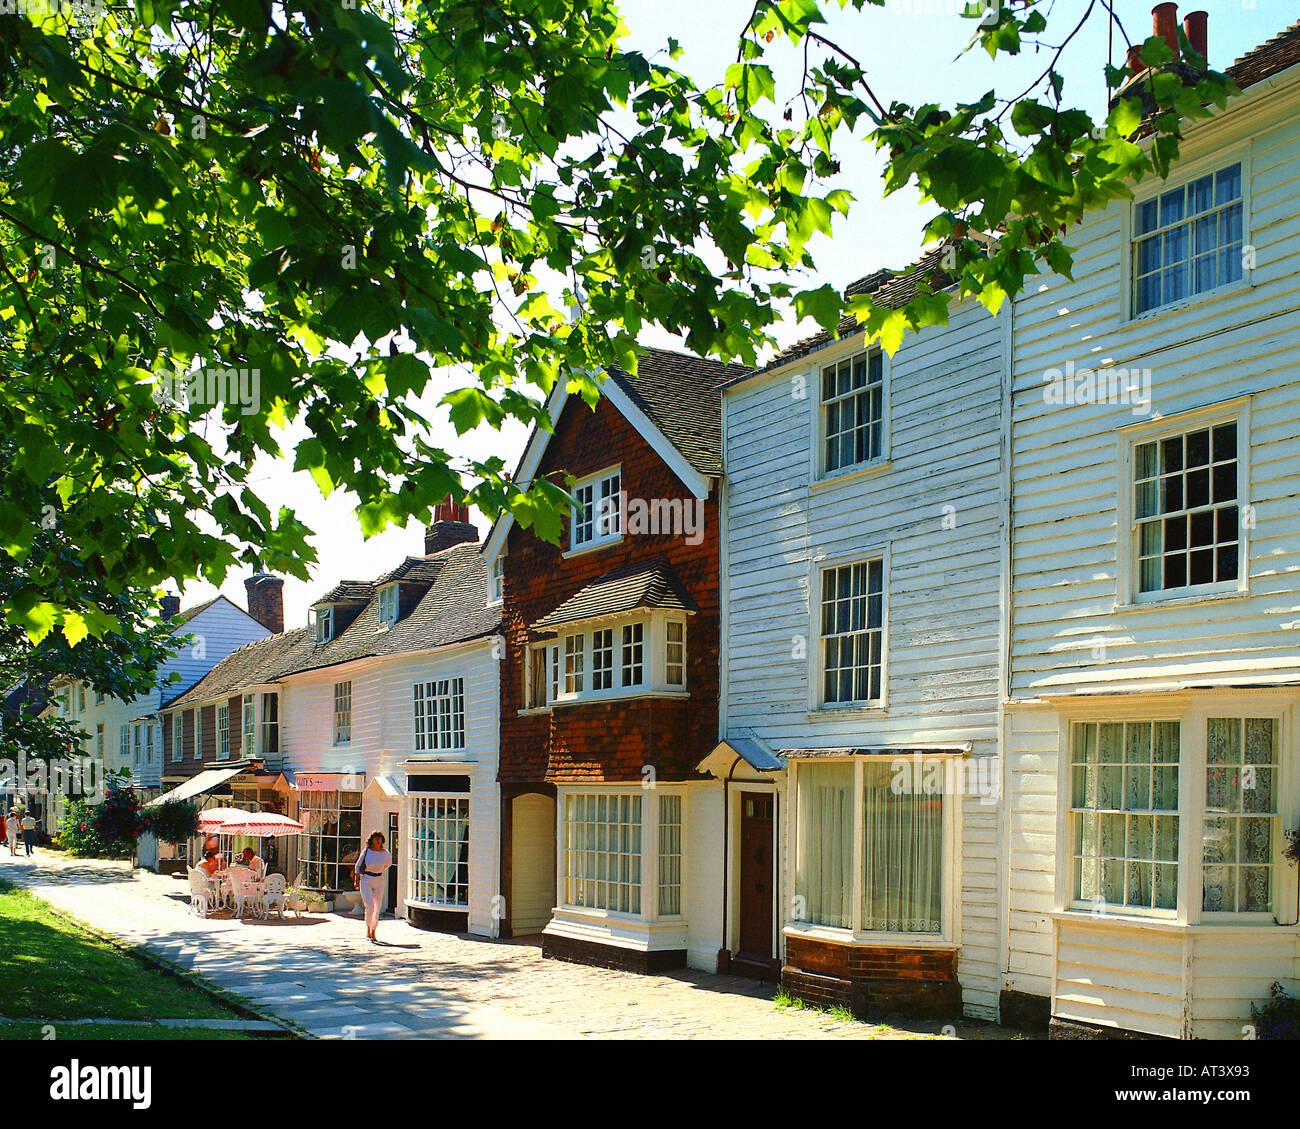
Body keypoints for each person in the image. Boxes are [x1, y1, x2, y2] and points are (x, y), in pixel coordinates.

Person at [353, 831, 392, 942]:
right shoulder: (366, 851)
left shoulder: (385, 853)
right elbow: (358, 866)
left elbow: (388, 864)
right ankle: (368, 928)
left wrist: (378, 870)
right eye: (376, 838)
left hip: (379, 880)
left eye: (380, 838)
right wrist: (356, 881)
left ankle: (374, 931)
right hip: (366, 880)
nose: (378, 840)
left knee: (377, 907)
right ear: (372, 840)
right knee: (369, 906)